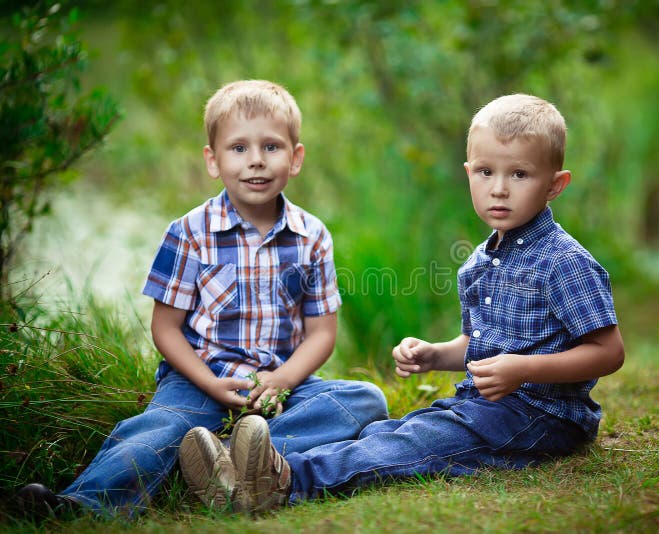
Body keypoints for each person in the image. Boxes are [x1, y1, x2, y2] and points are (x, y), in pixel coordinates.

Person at [181, 93, 626, 513]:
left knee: (413, 443)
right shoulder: (478, 263)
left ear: (555, 185)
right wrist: (436, 355)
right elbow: (480, 346)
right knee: (385, 431)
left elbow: (608, 353)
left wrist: (523, 369)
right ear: (468, 172)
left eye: (520, 175)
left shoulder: (563, 262)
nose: (499, 190)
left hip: (542, 416)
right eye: (486, 173)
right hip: (484, 407)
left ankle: (284, 483)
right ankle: (238, 471)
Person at [15, 79, 388, 518]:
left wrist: (283, 380)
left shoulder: (312, 237)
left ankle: (232, 458)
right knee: (160, 427)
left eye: (271, 147)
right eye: (238, 149)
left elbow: (322, 334)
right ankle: (81, 505)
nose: (255, 162)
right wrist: (209, 383)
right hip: (199, 377)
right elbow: (165, 328)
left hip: (278, 385)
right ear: (213, 160)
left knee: (364, 400)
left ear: (296, 157)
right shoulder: (189, 233)